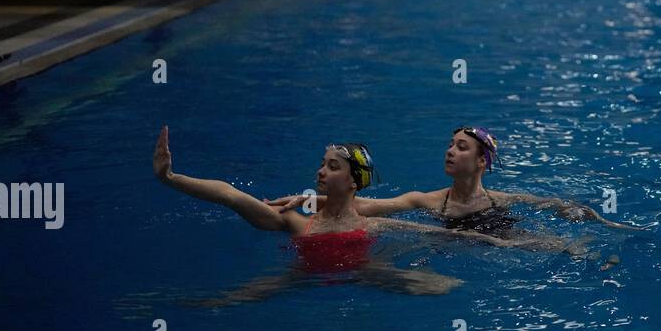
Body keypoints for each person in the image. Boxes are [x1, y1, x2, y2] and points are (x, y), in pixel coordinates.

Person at [151, 126, 464, 299]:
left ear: (354, 181)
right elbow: (230, 195)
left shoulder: (373, 223)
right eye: (321, 165)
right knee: (225, 301)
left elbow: (441, 234)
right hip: (300, 278)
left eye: (332, 167)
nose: (321, 172)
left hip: (366, 274)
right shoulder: (296, 222)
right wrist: (170, 177)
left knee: (440, 288)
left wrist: (501, 242)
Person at [270, 126, 641, 242]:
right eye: (450, 145)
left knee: (557, 246)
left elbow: (558, 204)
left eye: (460, 148)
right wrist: (306, 200)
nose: (449, 152)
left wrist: (602, 221)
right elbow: (360, 206)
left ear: (481, 162)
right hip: (465, 247)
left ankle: (597, 252)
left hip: (507, 240)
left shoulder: (504, 199)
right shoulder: (426, 201)